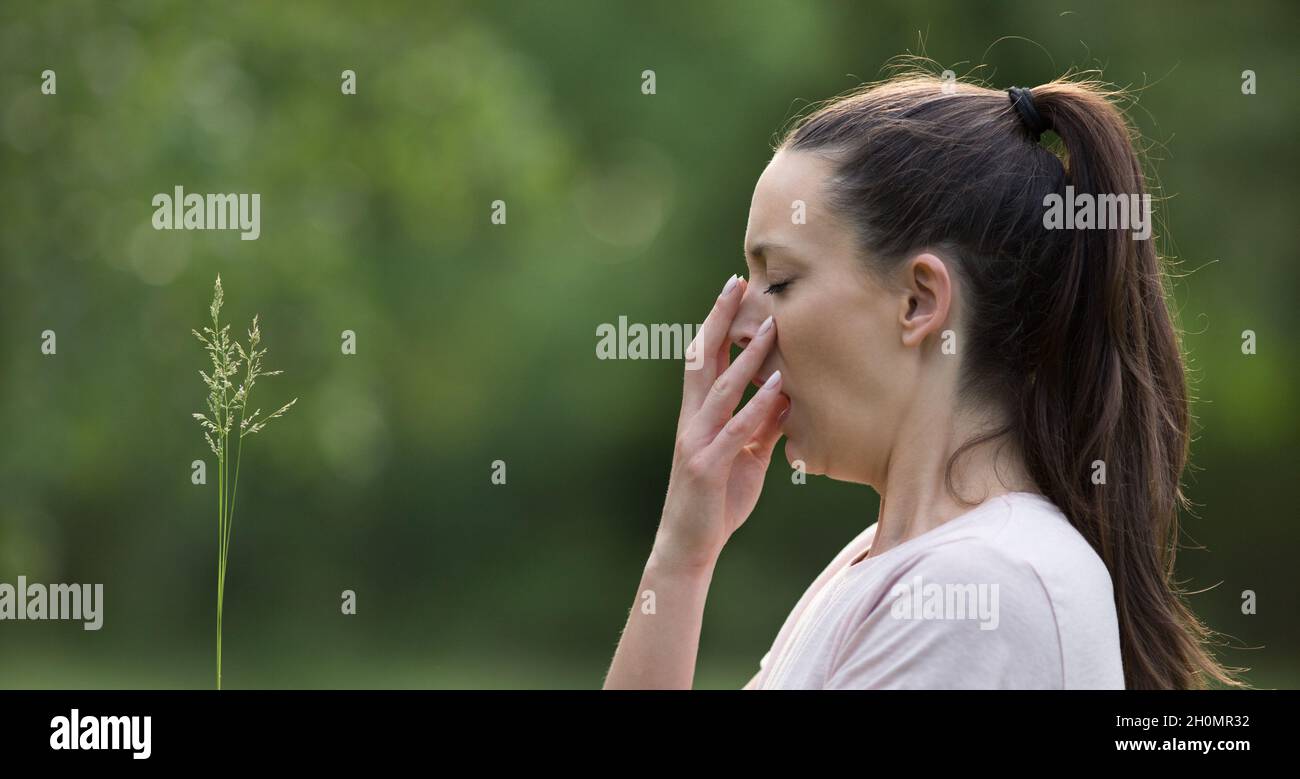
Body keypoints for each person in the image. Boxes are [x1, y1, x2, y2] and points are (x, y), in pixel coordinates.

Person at [602, 73, 1242, 690]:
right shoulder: (881, 567)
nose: (739, 324)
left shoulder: (978, 589)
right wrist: (682, 558)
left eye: (781, 280)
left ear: (918, 301)